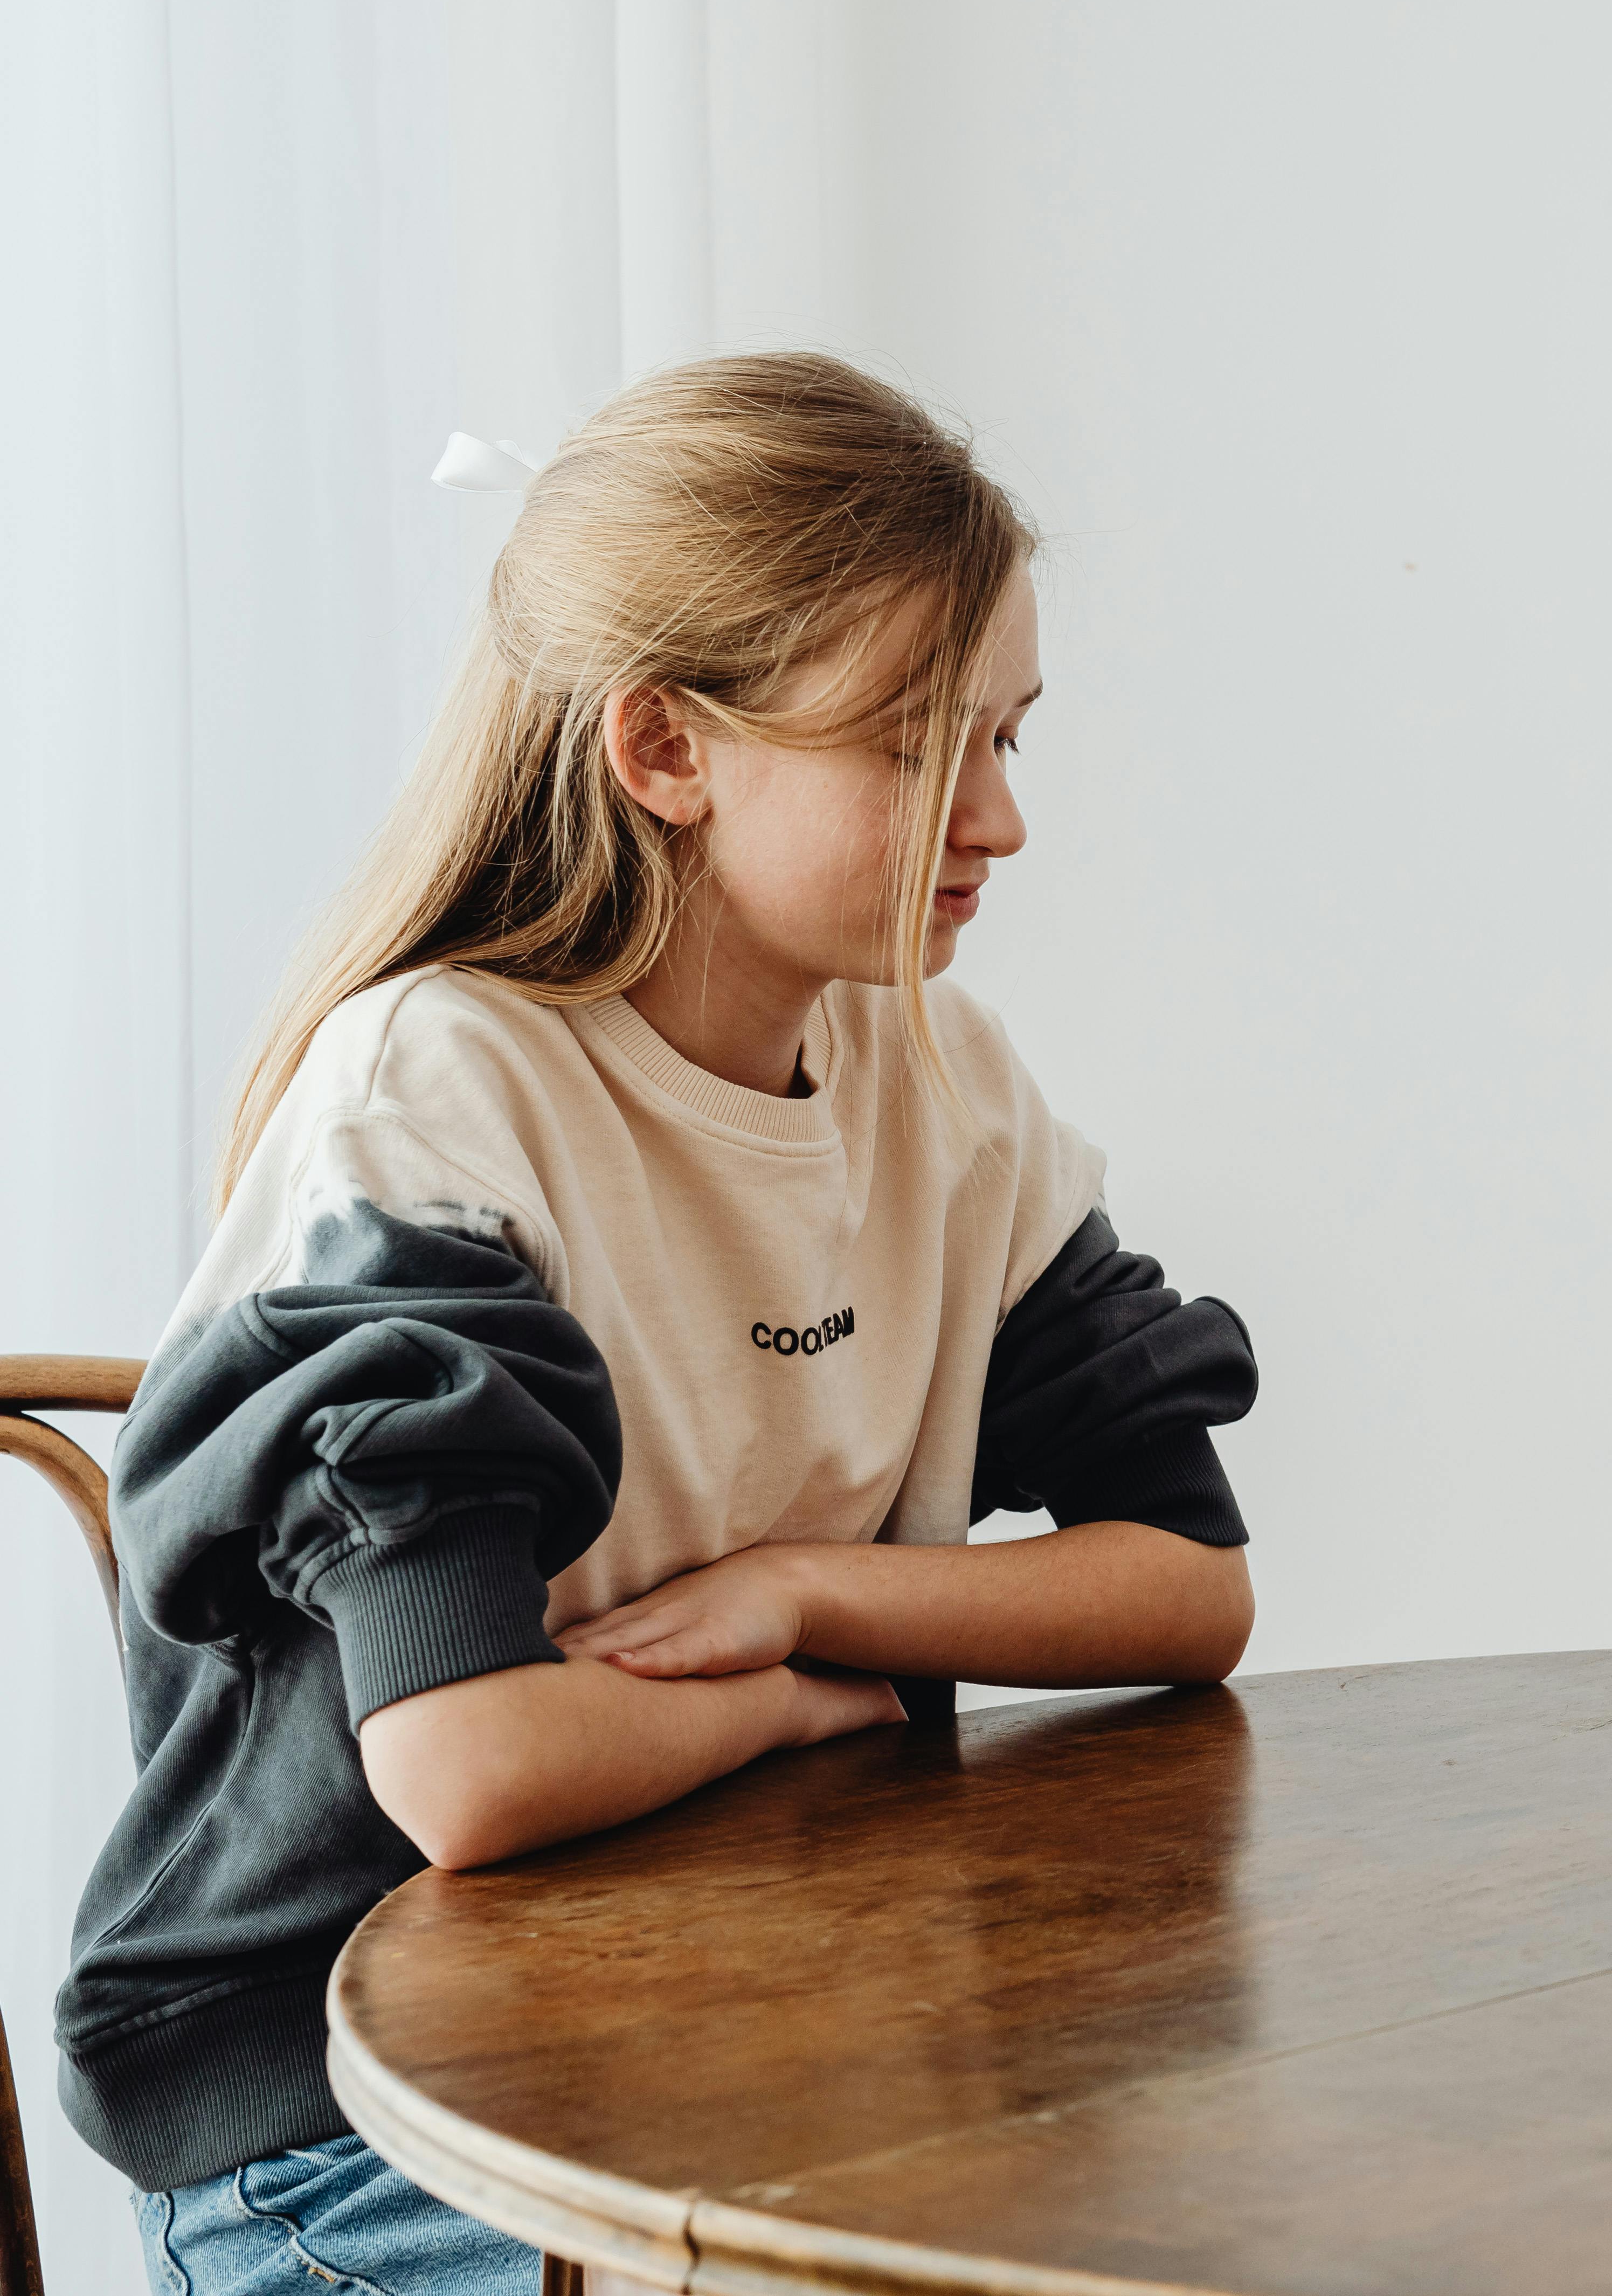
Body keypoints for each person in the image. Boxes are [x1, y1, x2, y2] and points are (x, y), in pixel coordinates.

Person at [60, 355, 1258, 2296]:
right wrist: (807, 1701)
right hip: (356, 2119)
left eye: (1014, 739)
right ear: (664, 747)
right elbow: (467, 1768)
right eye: (923, 746)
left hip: (760, 2032)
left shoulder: (940, 1077)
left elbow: (1185, 1587)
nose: (1005, 822)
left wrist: (805, 1596)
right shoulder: (440, 1098)